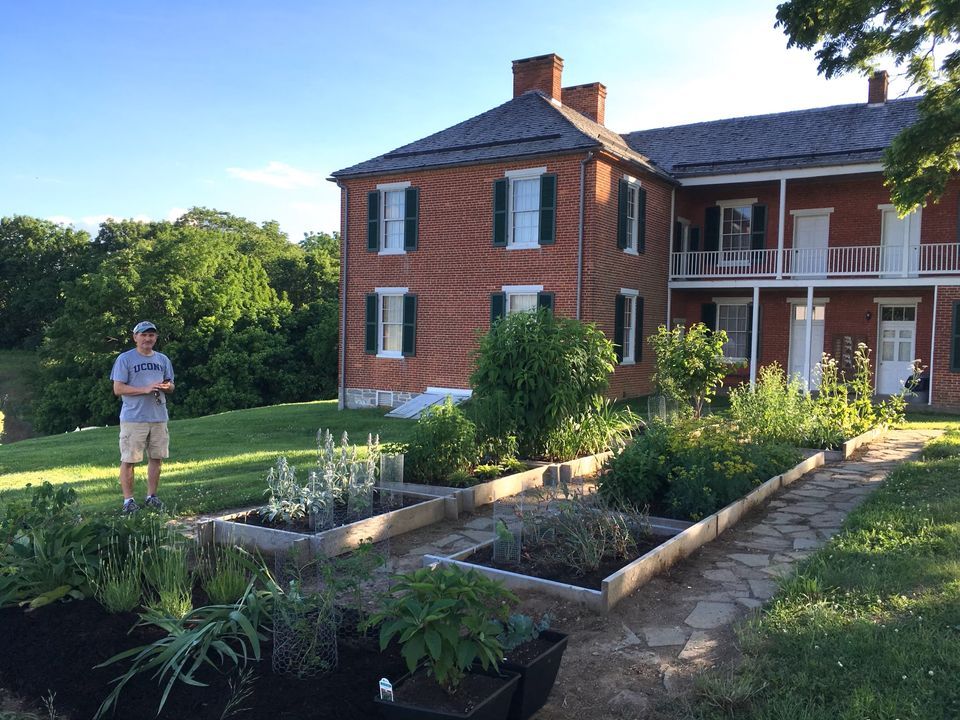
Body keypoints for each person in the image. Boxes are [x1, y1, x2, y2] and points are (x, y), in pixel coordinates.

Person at [110, 320, 175, 513]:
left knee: (157, 457)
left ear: (156, 337)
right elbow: (118, 388)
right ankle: (128, 501)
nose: (148, 338)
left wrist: (167, 387)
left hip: (158, 415)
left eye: (151, 335)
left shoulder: (162, 359)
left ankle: (151, 496)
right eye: (144, 335)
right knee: (129, 459)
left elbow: (171, 385)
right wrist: (144, 389)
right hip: (134, 417)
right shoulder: (125, 359)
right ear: (135, 337)